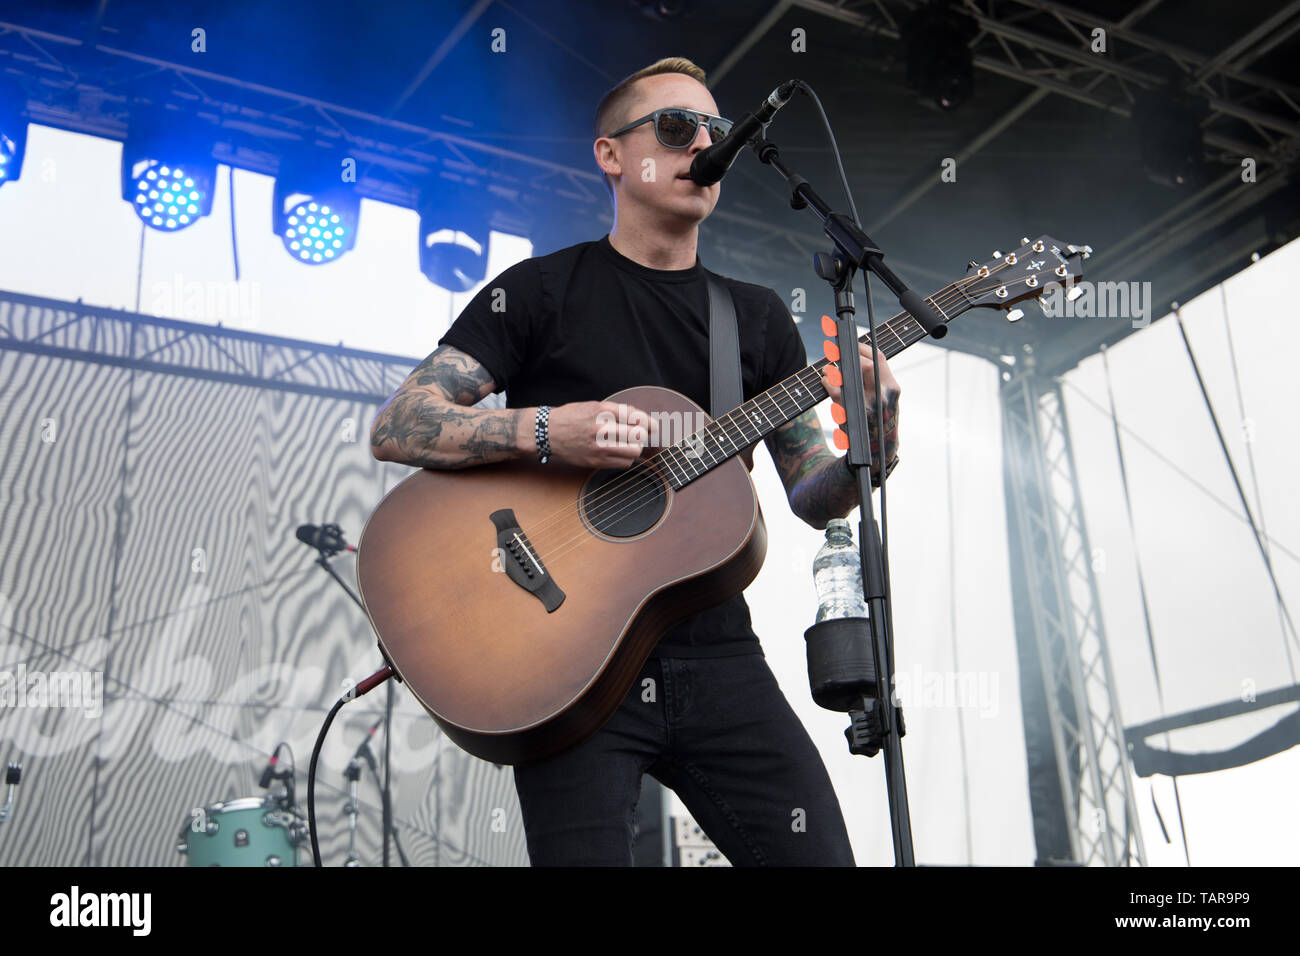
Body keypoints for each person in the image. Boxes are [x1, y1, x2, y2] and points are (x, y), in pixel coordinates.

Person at [369, 57, 901, 866]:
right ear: (611, 155)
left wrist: (880, 434)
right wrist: (547, 431)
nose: (705, 146)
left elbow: (814, 496)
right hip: (564, 660)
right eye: (678, 127)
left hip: (718, 656)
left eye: (718, 132)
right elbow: (402, 424)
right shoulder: (541, 292)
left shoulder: (754, 321)